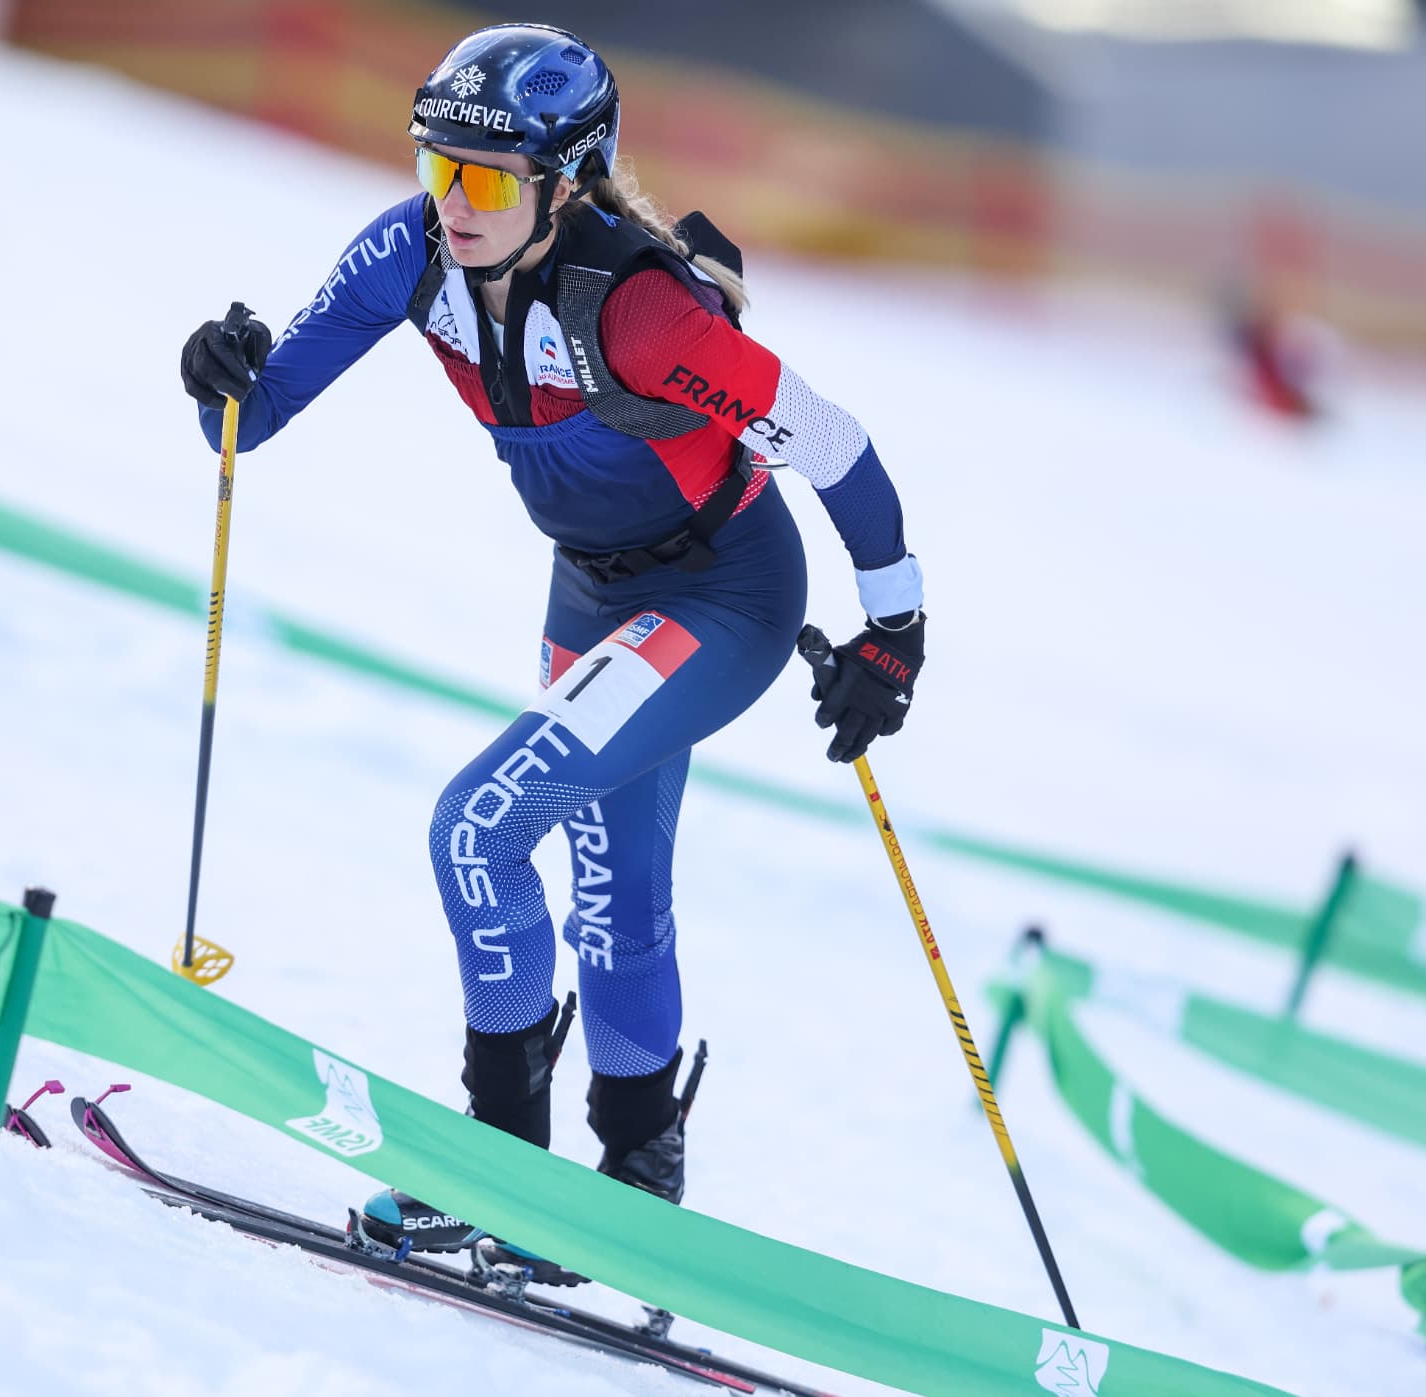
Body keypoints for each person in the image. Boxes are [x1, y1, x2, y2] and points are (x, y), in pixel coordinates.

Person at [179, 22, 926, 1282]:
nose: (450, 204)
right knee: (610, 895)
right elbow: (246, 419)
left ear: (563, 178)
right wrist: (218, 377)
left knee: (475, 829)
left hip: (723, 595)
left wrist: (893, 634)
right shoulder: (406, 256)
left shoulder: (635, 314)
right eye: (435, 170)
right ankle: (632, 1186)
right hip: (591, 596)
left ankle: (495, 1172)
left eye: (483, 178)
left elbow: (833, 443)